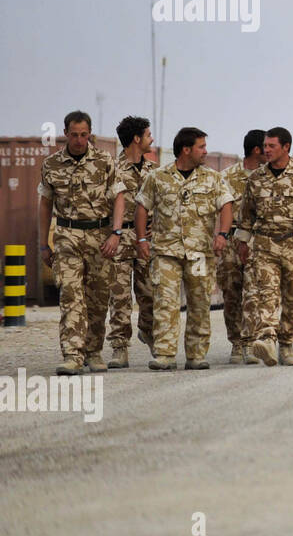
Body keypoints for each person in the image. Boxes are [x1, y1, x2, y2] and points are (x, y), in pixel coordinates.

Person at [134, 127, 234, 370]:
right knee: (165, 303)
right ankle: (165, 355)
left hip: (199, 253)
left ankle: (196, 355)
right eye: (201, 147)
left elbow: (227, 205)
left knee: (199, 303)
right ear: (186, 149)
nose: (205, 151)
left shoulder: (213, 178)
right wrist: (141, 240)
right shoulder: (158, 177)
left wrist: (222, 234)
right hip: (166, 252)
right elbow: (142, 207)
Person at [36, 111, 127, 375]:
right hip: (67, 237)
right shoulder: (51, 164)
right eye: (74, 135)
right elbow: (45, 204)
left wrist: (116, 233)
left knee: (98, 298)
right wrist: (43, 243)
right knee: (70, 296)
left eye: (83, 135)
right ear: (65, 133)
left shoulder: (104, 161)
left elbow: (119, 197)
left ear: (90, 134)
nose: (78, 140)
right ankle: (72, 355)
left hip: (100, 237)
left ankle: (93, 351)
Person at [236, 127, 293, 368]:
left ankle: (287, 344)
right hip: (264, 244)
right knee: (267, 292)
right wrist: (243, 242)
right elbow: (246, 214)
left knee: (292, 295)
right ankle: (267, 339)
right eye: (265, 146)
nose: (266, 150)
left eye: (271, 146)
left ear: (286, 147)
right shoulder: (256, 178)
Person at [105, 115, 155, 368]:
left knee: (149, 293)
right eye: (148, 135)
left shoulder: (154, 172)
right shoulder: (112, 170)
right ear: (137, 139)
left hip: (147, 238)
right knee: (120, 296)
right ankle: (120, 348)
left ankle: (148, 330)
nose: (152, 139)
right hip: (120, 238)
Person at [216, 129, 267, 364]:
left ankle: (251, 341)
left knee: (254, 293)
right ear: (257, 150)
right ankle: (236, 342)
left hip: (259, 241)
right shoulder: (226, 177)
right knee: (232, 293)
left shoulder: (269, 176)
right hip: (231, 242)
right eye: (266, 147)